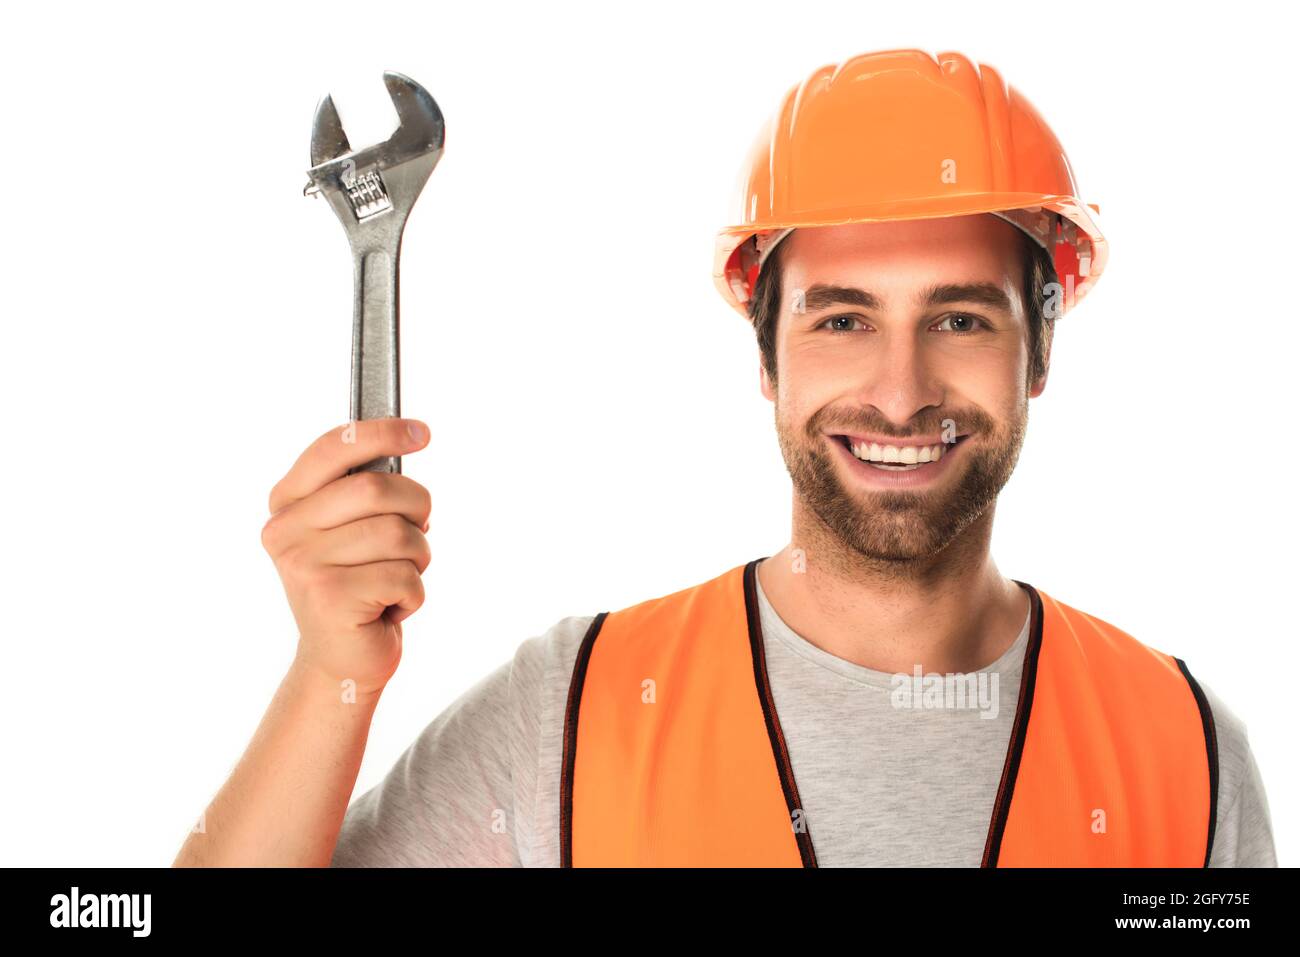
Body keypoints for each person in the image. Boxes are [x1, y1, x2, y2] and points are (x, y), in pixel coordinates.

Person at [173, 48, 1276, 868]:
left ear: (1038, 351)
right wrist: (331, 678)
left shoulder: (1183, 753)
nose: (900, 391)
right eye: (841, 321)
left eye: (960, 319)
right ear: (766, 357)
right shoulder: (574, 713)